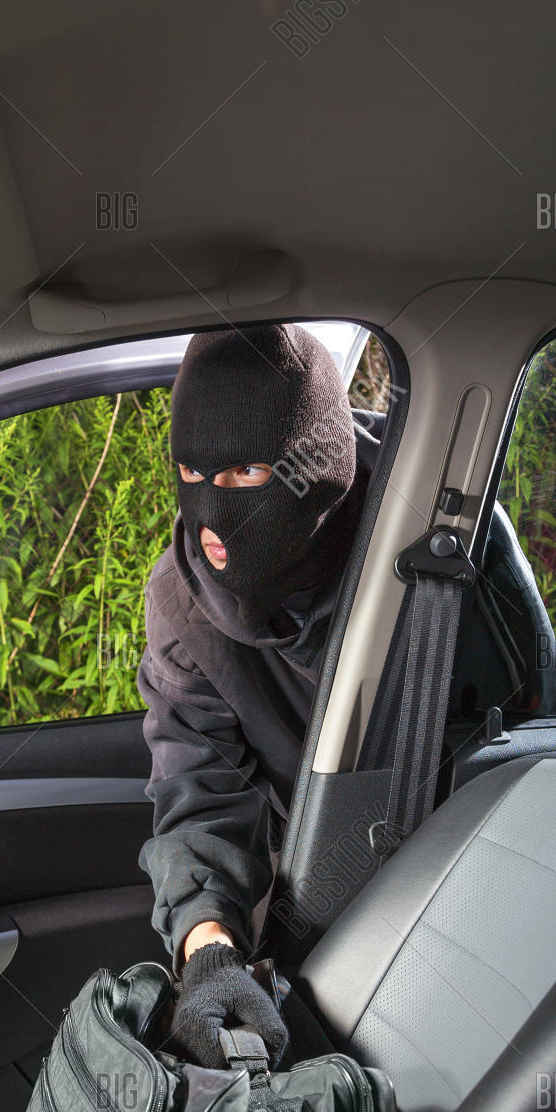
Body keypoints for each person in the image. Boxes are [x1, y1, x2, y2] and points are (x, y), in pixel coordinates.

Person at [137, 322, 383, 1066]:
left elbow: (531, 727)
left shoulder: (435, 549)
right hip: (316, 898)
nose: (211, 515)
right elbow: (197, 786)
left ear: (316, 469)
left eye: (244, 473)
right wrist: (208, 947)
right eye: (189, 472)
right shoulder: (181, 602)